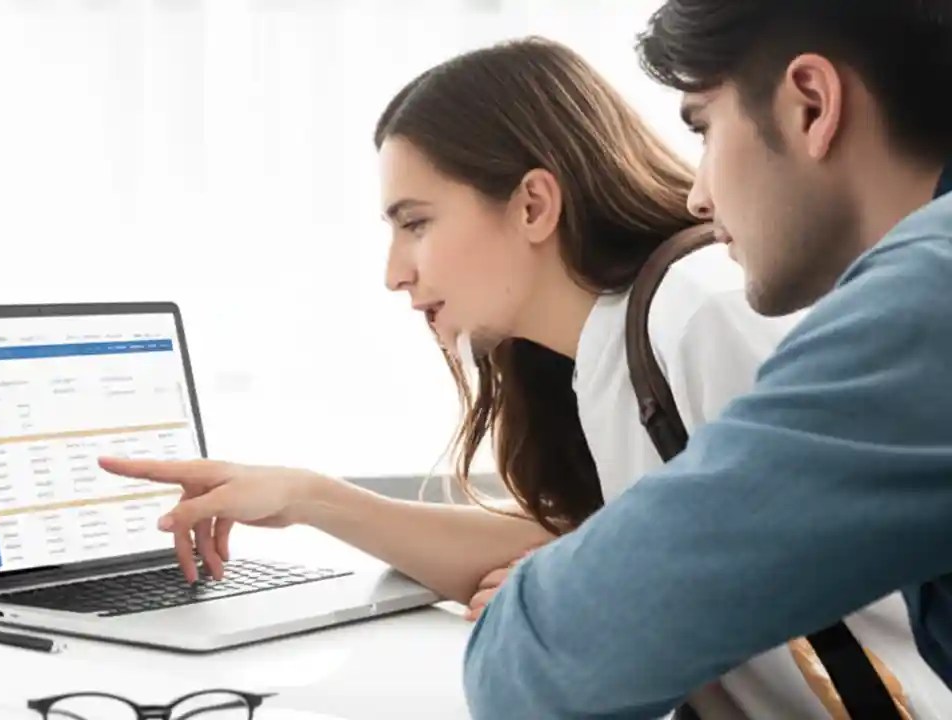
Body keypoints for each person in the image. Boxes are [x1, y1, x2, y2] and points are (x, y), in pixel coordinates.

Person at [97, 37, 950, 716]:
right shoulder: (611, 350)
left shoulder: (693, 308)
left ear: (535, 205)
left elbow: (688, 577)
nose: (395, 271)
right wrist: (306, 497)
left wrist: (552, 598)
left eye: (416, 223)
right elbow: (615, 553)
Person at [456, 1, 952, 718]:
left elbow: (538, 664)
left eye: (703, 129)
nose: (696, 194)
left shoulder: (925, 300)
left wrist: (575, 584)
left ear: (810, 105)